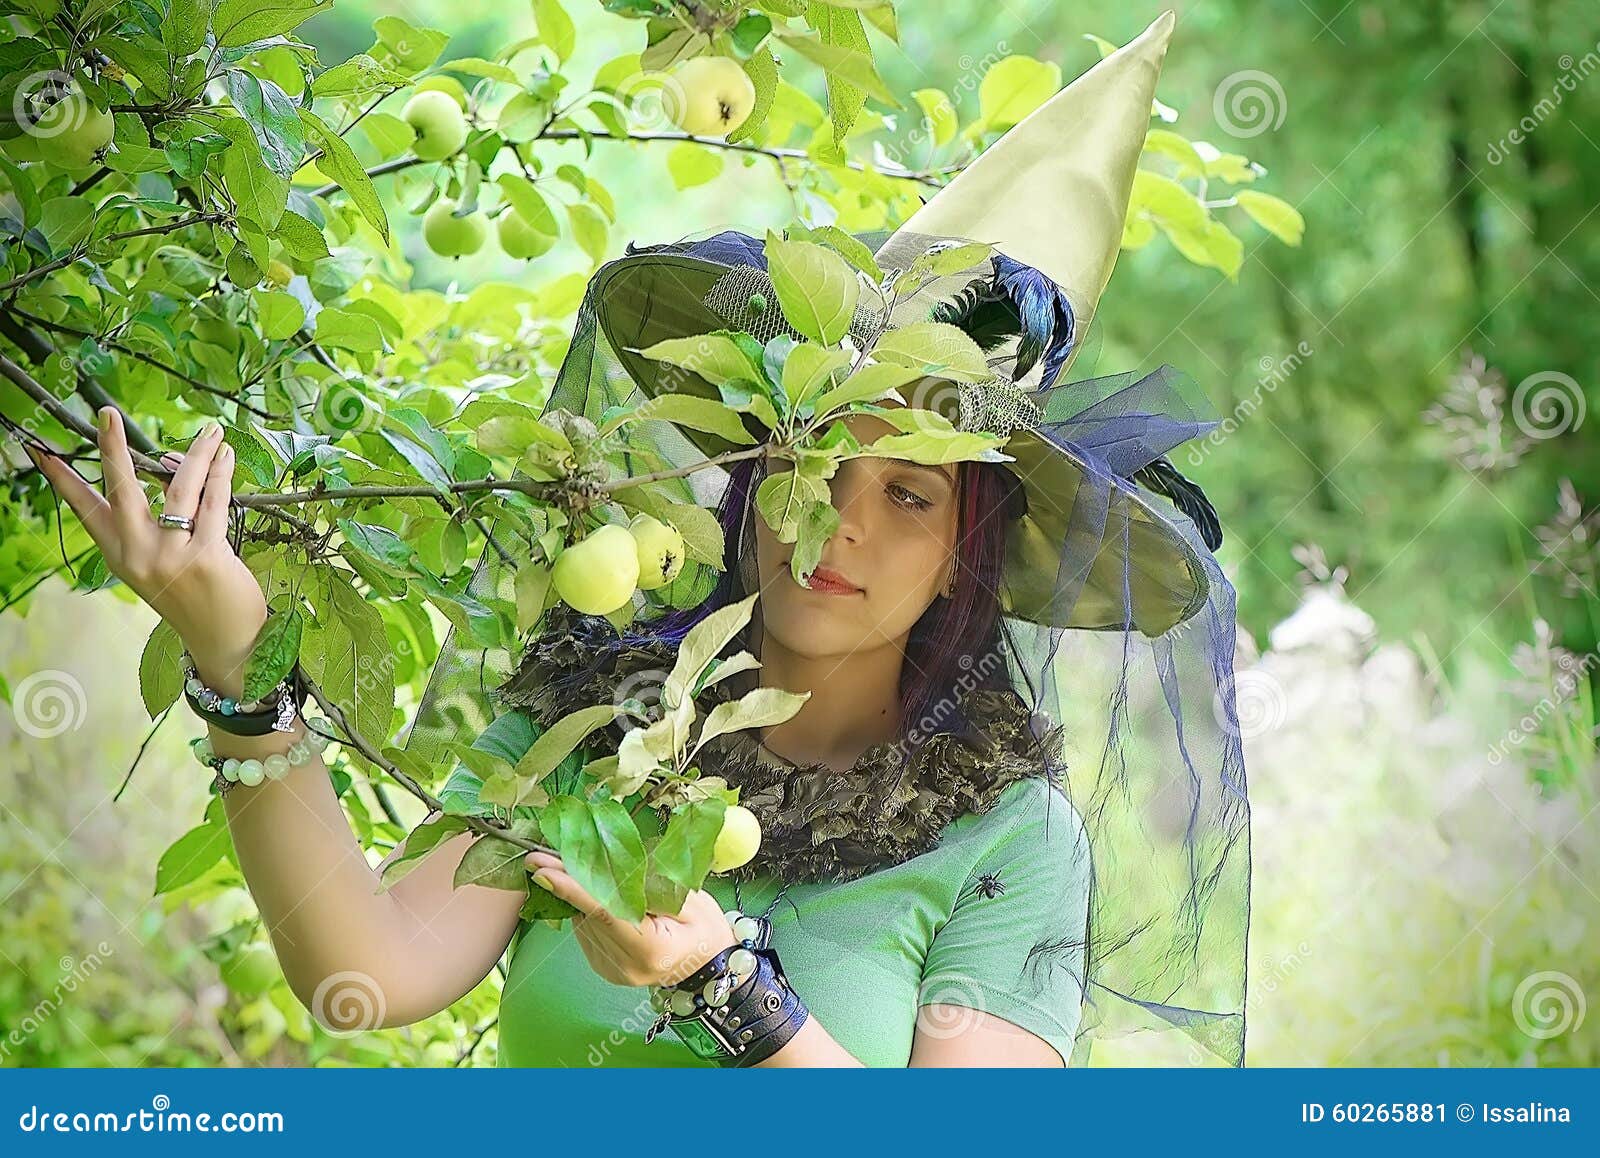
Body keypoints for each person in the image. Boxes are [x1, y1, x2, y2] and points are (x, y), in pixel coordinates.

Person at [28, 9, 1251, 1068]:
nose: (839, 524)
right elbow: (374, 971)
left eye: (911, 498)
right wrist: (245, 680)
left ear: (964, 557)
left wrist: (725, 983)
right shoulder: (589, 728)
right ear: (758, 469)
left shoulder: (1007, 835)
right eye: (816, 465)